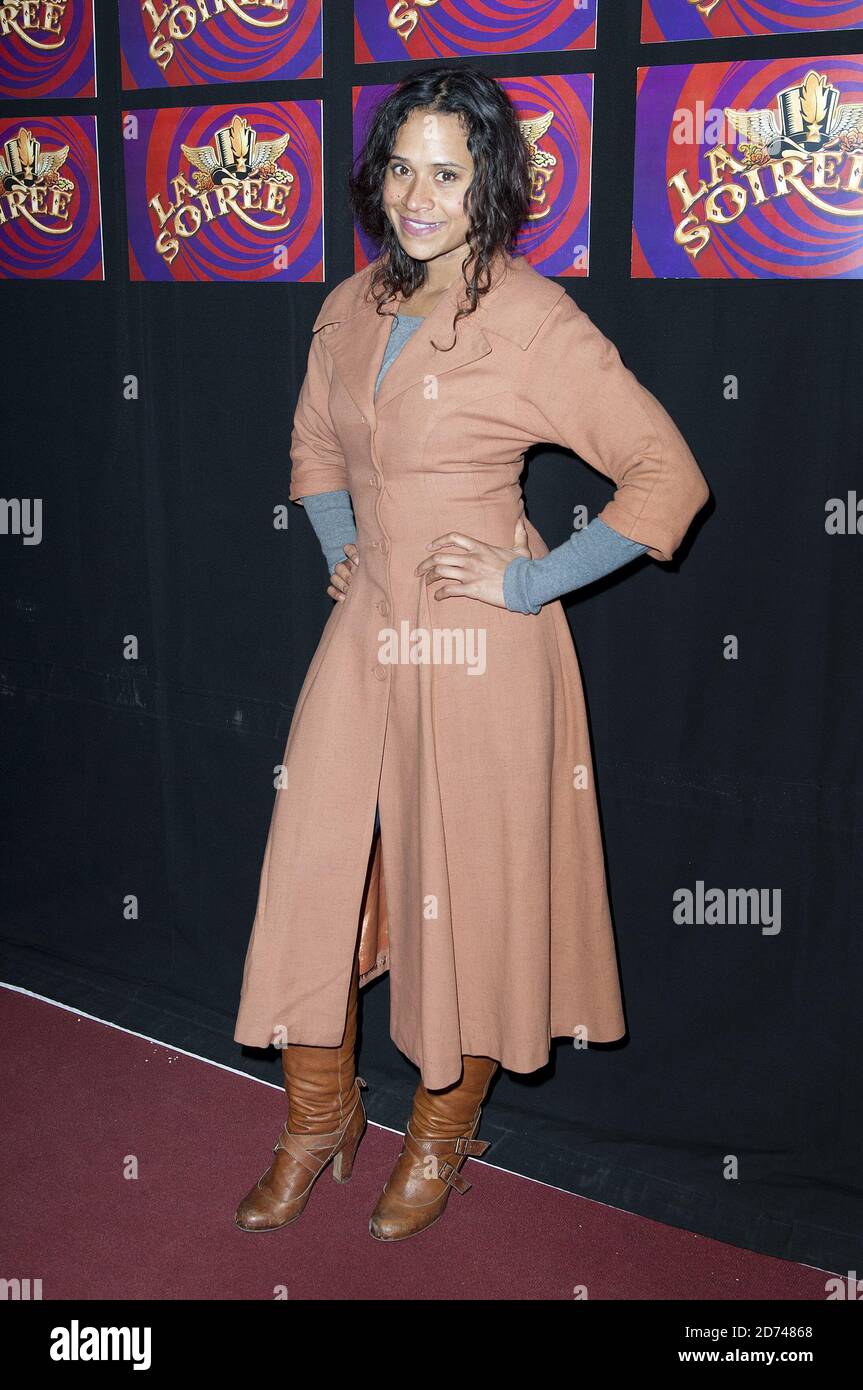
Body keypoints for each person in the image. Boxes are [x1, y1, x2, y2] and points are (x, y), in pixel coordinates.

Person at [233, 65, 710, 1242]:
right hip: (368, 627)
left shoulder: (531, 317)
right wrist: (341, 544)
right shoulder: (349, 303)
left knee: (474, 897)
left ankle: (440, 1134)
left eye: (446, 171)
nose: (417, 195)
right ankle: (317, 1116)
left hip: (482, 646)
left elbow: (667, 476)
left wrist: (527, 577)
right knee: (312, 869)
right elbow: (312, 441)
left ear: (487, 180)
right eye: (401, 166)